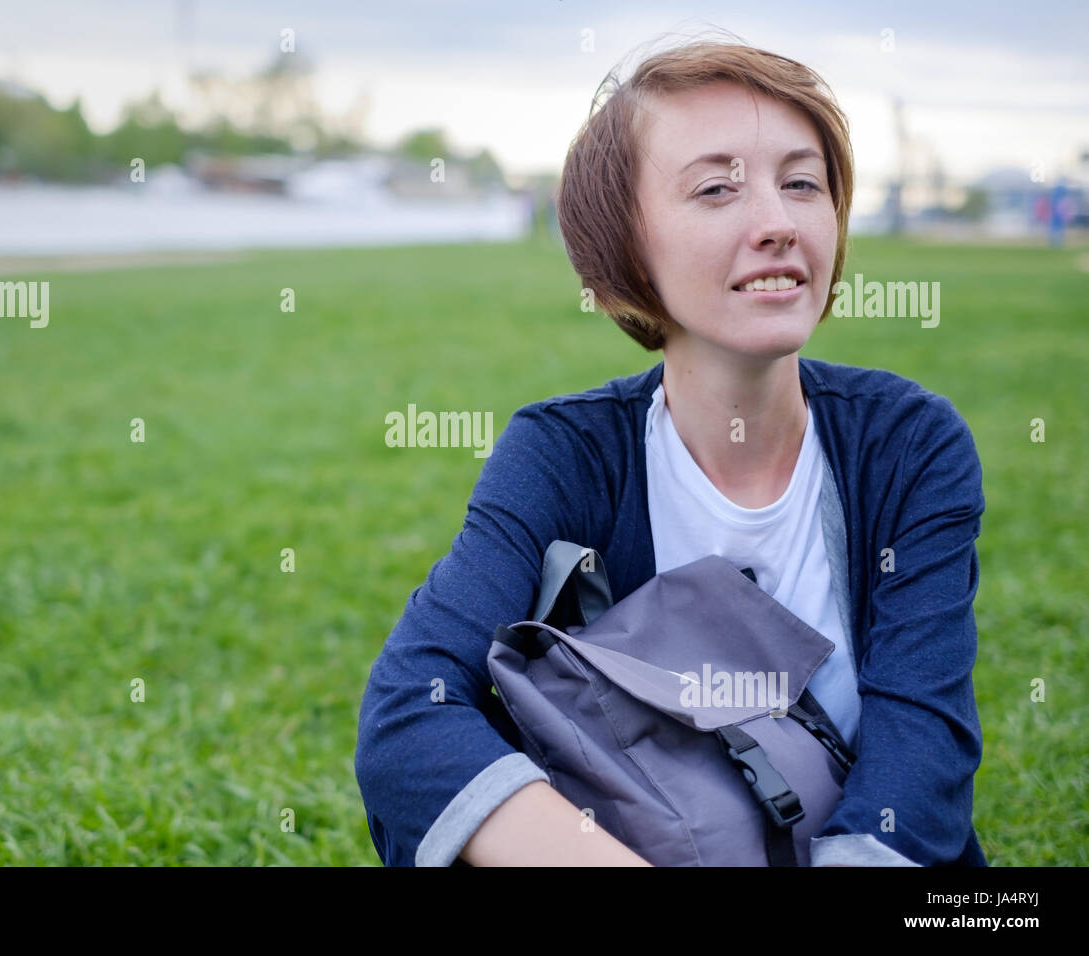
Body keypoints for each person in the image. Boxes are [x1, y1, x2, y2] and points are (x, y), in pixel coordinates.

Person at [354, 38, 987, 867]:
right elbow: (412, 712)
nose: (777, 223)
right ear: (626, 248)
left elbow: (923, 738)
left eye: (803, 182)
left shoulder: (907, 442)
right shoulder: (563, 453)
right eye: (716, 189)